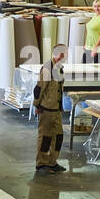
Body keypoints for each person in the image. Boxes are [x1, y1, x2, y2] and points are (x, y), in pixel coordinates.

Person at [35, 46, 67, 174]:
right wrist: (37, 106)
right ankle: (41, 164)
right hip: (47, 108)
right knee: (45, 137)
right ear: (60, 55)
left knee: (58, 136)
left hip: (56, 108)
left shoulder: (59, 67)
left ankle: (52, 162)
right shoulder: (48, 68)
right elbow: (39, 89)